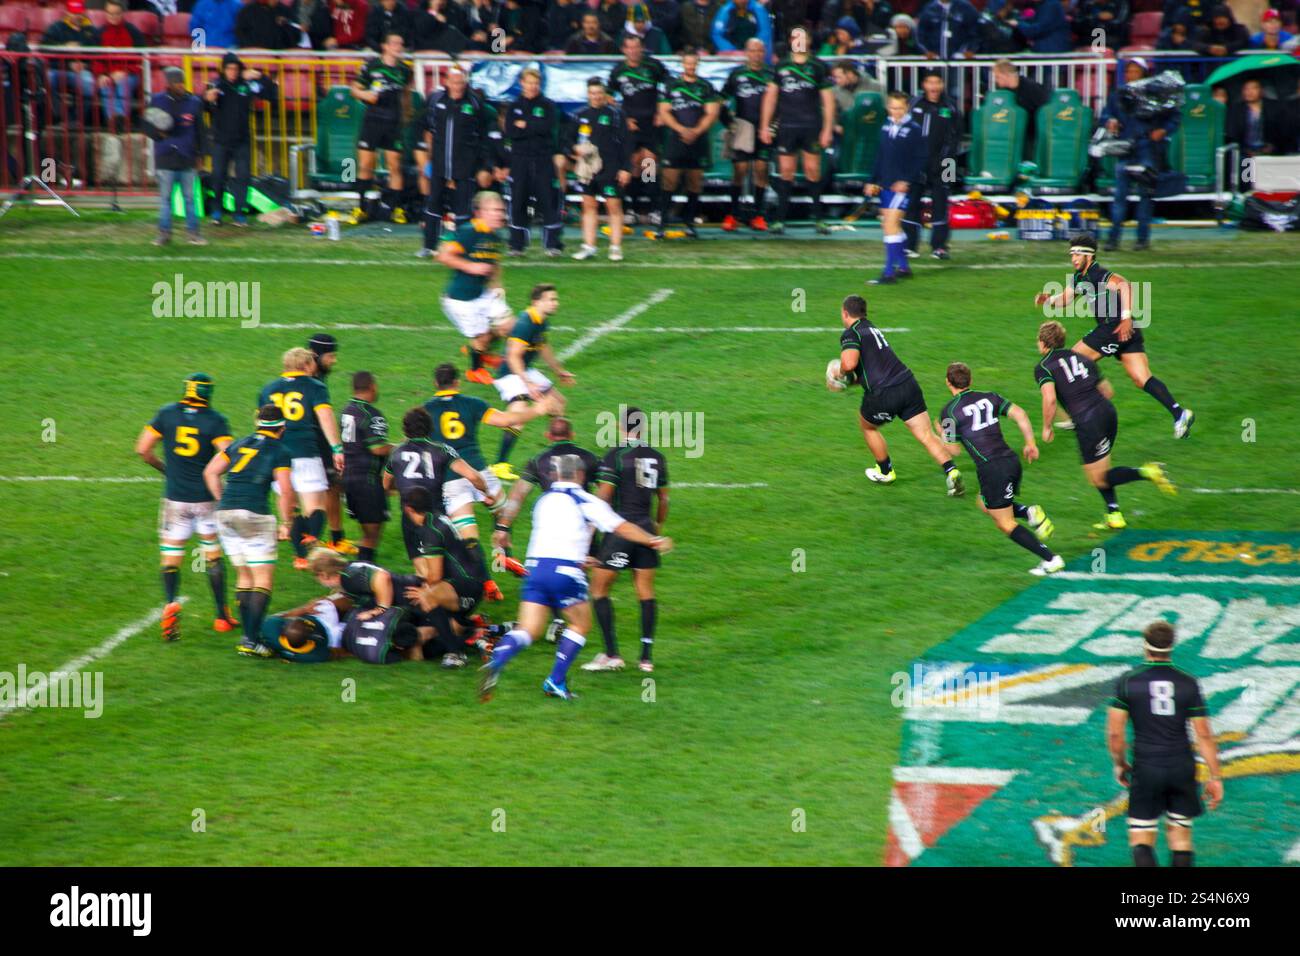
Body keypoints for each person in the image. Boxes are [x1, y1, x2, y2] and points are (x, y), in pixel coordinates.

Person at [478, 453, 673, 702]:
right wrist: (652, 540)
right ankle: (555, 681)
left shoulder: (543, 500)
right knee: (581, 625)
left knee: (528, 629)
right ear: (580, 475)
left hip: (536, 571)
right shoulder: (584, 500)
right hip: (565, 573)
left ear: (555, 475)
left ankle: (498, 660)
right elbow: (621, 527)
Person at [1034, 233, 1194, 439]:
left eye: (1078, 254)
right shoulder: (1079, 278)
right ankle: (1180, 414)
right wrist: (1048, 299)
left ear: (1089, 256)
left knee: (1066, 364)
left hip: (1114, 327)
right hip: (1127, 331)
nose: (1073, 258)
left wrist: (1126, 316)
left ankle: (1081, 412)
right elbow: (1065, 299)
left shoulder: (1098, 274)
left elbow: (1124, 285)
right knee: (1141, 378)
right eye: (1071, 254)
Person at [1035, 320, 1177, 531]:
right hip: (1108, 413)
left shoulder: (1043, 367)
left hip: (1087, 421)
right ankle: (1114, 514)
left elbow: (1050, 399)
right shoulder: (1082, 358)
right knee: (1101, 467)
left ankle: (1147, 472)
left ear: (1043, 343)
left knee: (1099, 477)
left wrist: (1047, 427)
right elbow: (1107, 390)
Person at [1107, 621, 1223, 867]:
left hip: (1147, 766)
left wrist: (1119, 764)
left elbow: (1116, 735)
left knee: (1141, 838)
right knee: (1180, 839)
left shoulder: (1128, 681)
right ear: (1172, 645)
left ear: (1144, 645)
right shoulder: (1188, 682)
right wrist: (1215, 776)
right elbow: (1204, 735)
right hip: (1181, 766)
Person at [937, 363, 1064, 576]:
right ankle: (1029, 512)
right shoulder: (990, 397)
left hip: (992, 468)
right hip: (1011, 461)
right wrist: (1030, 443)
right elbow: (1020, 414)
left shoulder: (949, 411)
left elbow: (953, 450)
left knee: (1005, 523)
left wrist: (940, 430)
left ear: (947, 382)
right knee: (984, 502)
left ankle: (1051, 559)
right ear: (970, 380)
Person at [136, 374, 236, 641]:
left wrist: (166, 470)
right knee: (213, 556)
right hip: (205, 498)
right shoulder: (215, 420)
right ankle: (221, 616)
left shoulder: (167, 413)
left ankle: (170, 603)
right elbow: (229, 454)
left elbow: (143, 449)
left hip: (175, 498)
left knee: (171, 557)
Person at [835, 295, 963, 494]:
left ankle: (885, 471)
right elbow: (870, 370)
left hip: (884, 393)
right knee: (926, 435)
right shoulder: (872, 328)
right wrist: (849, 382)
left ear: (845, 313)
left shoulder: (851, 333)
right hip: (908, 383)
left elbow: (850, 364)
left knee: (868, 427)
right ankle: (952, 472)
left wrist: (840, 374)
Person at [424, 364, 554, 550]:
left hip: (451, 478)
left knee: (469, 539)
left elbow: (414, 442)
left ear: (435, 383)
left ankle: (474, 573)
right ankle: (503, 558)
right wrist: (538, 410)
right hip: (480, 471)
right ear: (457, 382)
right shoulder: (473, 403)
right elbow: (506, 420)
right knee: (503, 518)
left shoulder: (425, 410)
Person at [203, 404, 297, 656]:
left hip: (225, 514)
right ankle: (250, 639)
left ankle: (249, 637)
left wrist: (224, 500)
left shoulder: (236, 444)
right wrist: (287, 523)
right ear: (282, 428)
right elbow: (286, 491)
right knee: (262, 579)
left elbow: (211, 472)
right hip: (254, 515)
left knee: (244, 578)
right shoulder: (280, 450)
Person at [585, 407, 670, 674]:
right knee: (645, 592)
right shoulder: (657, 457)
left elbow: (604, 496)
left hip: (620, 530)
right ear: (643, 428)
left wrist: (590, 532)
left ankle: (612, 654)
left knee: (599, 589)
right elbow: (664, 498)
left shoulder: (616, 456)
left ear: (621, 428)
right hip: (646, 528)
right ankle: (646, 658)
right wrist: (656, 528)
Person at [257, 347, 345, 569]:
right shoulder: (314, 386)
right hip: (305, 452)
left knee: (292, 508)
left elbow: (261, 424)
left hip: (277, 454)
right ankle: (311, 540)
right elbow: (325, 416)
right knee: (315, 507)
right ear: (306, 365)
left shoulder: (268, 389)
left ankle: (300, 557)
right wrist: (336, 447)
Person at [400, 486, 494, 667]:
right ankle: (483, 631)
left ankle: (456, 653)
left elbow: (434, 576)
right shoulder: (439, 517)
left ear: (408, 509)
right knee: (451, 626)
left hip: (465, 586)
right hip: (471, 582)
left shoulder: (430, 531)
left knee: (426, 598)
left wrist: (423, 589)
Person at [491, 284, 574, 478]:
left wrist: (559, 371)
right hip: (510, 374)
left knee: (558, 404)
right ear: (537, 301)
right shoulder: (525, 323)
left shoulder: (541, 320)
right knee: (518, 414)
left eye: (556, 299)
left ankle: (558, 455)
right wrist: (528, 384)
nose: (556, 303)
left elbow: (543, 347)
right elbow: (513, 357)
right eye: (551, 299)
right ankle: (499, 465)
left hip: (524, 370)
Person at [760, 26, 836, 234]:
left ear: (809, 40)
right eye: (795, 37)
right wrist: (765, 126)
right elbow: (770, 97)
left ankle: (818, 218)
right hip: (787, 126)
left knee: (812, 170)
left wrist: (827, 129)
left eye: (802, 37)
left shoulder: (818, 67)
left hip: (811, 126)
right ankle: (779, 220)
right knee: (786, 172)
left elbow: (828, 102)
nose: (798, 41)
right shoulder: (781, 66)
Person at [1098, 58, 1179, 252]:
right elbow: (1105, 115)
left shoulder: (1156, 94)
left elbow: (1175, 116)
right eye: (1129, 71)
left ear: (1144, 73)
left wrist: (1163, 130)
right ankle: (1113, 239)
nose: (1131, 75)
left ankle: (1142, 239)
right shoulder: (1119, 94)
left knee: (1146, 194)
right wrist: (1110, 121)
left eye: (1135, 71)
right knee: (1120, 195)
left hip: (1147, 147)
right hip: (1126, 147)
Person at [437, 190, 512, 382]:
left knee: (509, 326)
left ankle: (480, 351)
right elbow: (443, 255)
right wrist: (471, 266)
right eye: (494, 210)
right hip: (461, 299)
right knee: (483, 337)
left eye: (501, 210)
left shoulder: (495, 236)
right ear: (481, 213)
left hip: (483, 293)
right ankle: (475, 369)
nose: (499, 214)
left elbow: (494, 263)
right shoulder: (469, 232)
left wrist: (497, 285)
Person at [419, 67, 491, 257]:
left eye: (461, 82)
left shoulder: (475, 103)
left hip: (465, 165)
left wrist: (483, 166)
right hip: (440, 163)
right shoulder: (436, 100)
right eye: (454, 82)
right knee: (433, 204)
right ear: (447, 82)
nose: (458, 86)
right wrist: (428, 158)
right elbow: (428, 130)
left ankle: (462, 248)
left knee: (463, 210)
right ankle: (429, 246)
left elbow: (483, 137)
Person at [655, 48, 721, 238]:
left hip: (698, 141)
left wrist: (696, 131)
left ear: (698, 63)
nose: (690, 66)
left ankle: (689, 223)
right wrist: (680, 129)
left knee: (694, 182)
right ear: (682, 63)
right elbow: (664, 111)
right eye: (687, 63)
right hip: (676, 140)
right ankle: (662, 222)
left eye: (694, 63)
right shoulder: (672, 86)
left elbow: (712, 113)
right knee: (668, 181)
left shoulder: (706, 87)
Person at [349, 33, 413, 223]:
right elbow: (354, 89)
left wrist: (407, 115)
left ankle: (395, 208)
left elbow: (406, 94)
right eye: (394, 43)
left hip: (393, 123)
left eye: (401, 43)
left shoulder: (404, 70)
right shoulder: (371, 66)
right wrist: (365, 95)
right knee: (366, 164)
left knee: (395, 166)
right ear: (385, 46)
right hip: (372, 121)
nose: (398, 46)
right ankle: (361, 208)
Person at [205, 52, 273, 228]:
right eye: (229, 68)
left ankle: (239, 213)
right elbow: (204, 105)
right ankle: (217, 212)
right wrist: (207, 99)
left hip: (242, 139)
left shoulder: (248, 85)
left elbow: (271, 93)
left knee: (243, 177)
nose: (232, 72)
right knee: (218, 176)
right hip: (221, 140)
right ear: (223, 69)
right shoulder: (216, 85)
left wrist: (259, 75)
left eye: (236, 68)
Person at [569, 77, 633, 261]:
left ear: (604, 94)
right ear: (588, 94)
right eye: (592, 93)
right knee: (588, 205)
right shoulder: (579, 115)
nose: (596, 97)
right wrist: (574, 149)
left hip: (611, 168)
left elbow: (626, 142)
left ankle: (615, 247)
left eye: (599, 93)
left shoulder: (615, 114)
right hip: (588, 169)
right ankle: (589, 246)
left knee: (613, 205)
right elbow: (567, 140)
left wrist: (625, 168)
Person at [609, 34, 671, 223]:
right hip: (630, 124)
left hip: (651, 123)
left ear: (642, 48)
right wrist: (623, 118)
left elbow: (668, 84)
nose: (634, 51)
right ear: (624, 49)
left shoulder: (653, 66)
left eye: (637, 47)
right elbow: (608, 96)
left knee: (649, 163)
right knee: (633, 164)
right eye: (629, 47)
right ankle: (632, 208)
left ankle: (653, 208)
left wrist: (661, 111)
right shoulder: (618, 71)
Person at [865, 91, 924, 284]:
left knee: (890, 225)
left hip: (902, 186)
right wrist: (872, 180)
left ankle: (888, 273)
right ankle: (904, 267)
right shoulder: (885, 127)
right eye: (892, 107)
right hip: (885, 183)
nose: (895, 111)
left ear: (906, 107)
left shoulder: (914, 129)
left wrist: (906, 181)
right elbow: (880, 156)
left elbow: (920, 159)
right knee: (890, 225)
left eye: (899, 108)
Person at [503, 68, 563, 257]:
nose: (532, 86)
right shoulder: (514, 106)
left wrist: (526, 124)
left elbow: (547, 127)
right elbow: (511, 131)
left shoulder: (548, 105)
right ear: (522, 83)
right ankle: (517, 245)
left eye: (535, 83)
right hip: (520, 160)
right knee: (518, 200)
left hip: (543, 159)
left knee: (548, 200)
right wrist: (533, 126)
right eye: (529, 82)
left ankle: (552, 244)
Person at [306, 333, 355, 557]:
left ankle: (336, 540)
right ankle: (307, 547)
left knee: (333, 486)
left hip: (319, 440)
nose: (334, 361)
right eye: (331, 356)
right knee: (316, 491)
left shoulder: (315, 376)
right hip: (313, 443)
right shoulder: (312, 382)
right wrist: (335, 445)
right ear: (317, 356)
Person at [147, 67, 206, 248]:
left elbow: (200, 131)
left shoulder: (194, 102)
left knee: (190, 198)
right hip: (165, 157)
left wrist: (201, 155)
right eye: (177, 82)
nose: (181, 85)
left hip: (187, 157)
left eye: (182, 82)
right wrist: (159, 134)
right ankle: (164, 234)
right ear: (169, 84)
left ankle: (193, 234)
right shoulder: (157, 101)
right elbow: (147, 127)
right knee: (165, 199)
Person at [905, 70, 960, 260]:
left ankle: (940, 246)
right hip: (916, 161)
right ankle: (910, 246)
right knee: (912, 202)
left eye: (937, 82)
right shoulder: (914, 104)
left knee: (942, 203)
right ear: (924, 85)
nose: (934, 87)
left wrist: (947, 164)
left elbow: (956, 138)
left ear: (942, 85)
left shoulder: (951, 107)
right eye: (930, 82)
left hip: (946, 162)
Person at [721, 38, 775, 231]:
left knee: (761, 170)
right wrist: (728, 123)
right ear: (746, 52)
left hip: (764, 129)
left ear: (764, 53)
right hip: (743, 128)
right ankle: (733, 213)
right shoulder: (737, 75)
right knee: (740, 171)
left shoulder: (771, 75)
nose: (756, 54)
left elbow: (780, 103)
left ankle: (758, 214)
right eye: (753, 50)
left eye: (760, 51)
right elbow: (721, 100)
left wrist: (772, 126)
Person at [340, 370, 393, 562]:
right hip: (367, 481)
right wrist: (399, 447)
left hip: (348, 478)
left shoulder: (346, 411)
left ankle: (361, 571)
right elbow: (378, 448)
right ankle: (363, 576)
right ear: (372, 387)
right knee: (372, 533)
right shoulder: (371, 414)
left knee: (367, 531)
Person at [93, 1, 144, 133]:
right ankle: (115, 122)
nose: (113, 17)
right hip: (108, 74)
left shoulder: (133, 31)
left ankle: (121, 120)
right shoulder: (99, 33)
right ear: (105, 13)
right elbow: (95, 59)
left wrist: (125, 72)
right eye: (110, 13)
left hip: (130, 74)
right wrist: (102, 75)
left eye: (116, 14)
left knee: (123, 84)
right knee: (105, 84)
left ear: (122, 13)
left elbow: (141, 59)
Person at [259, 593, 353, 663]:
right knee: (333, 601)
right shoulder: (314, 655)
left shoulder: (271, 632)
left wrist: (304, 609)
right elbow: (338, 653)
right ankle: (355, 600)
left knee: (322, 605)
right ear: (310, 636)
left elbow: (279, 616)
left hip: (327, 631)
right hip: (331, 634)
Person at [1226, 78, 1294, 165]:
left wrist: (1272, 146)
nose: (1249, 92)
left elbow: (1284, 130)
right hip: (1244, 154)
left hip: (1271, 153)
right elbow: (1232, 134)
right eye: (1246, 89)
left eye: (1254, 88)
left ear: (1261, 90)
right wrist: (1245, 150)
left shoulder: (1275, 107)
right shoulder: (1235, 110)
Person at [992, 58, 1049, 159]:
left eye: (997, 77)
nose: (996, 80)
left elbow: (1046, 111)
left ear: (1006, 75)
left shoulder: (1032, 88)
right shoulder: (1001, 92)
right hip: (1010, 133)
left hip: (1032, 134)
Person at [915, 0, 980, 61]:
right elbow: (920, 35)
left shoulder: (966, 8)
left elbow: (976, 32)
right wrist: (926, 51)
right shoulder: (928, 9)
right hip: (934, 59)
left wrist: (970, 49)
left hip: (959, 59)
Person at [1006, 0, 1072, 53]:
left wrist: (1018, 24)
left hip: (1052, 56)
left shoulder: (1051, 5)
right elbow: (1032, 22)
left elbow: (1038, 29)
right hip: (1043, 54)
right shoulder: (1040, 5)